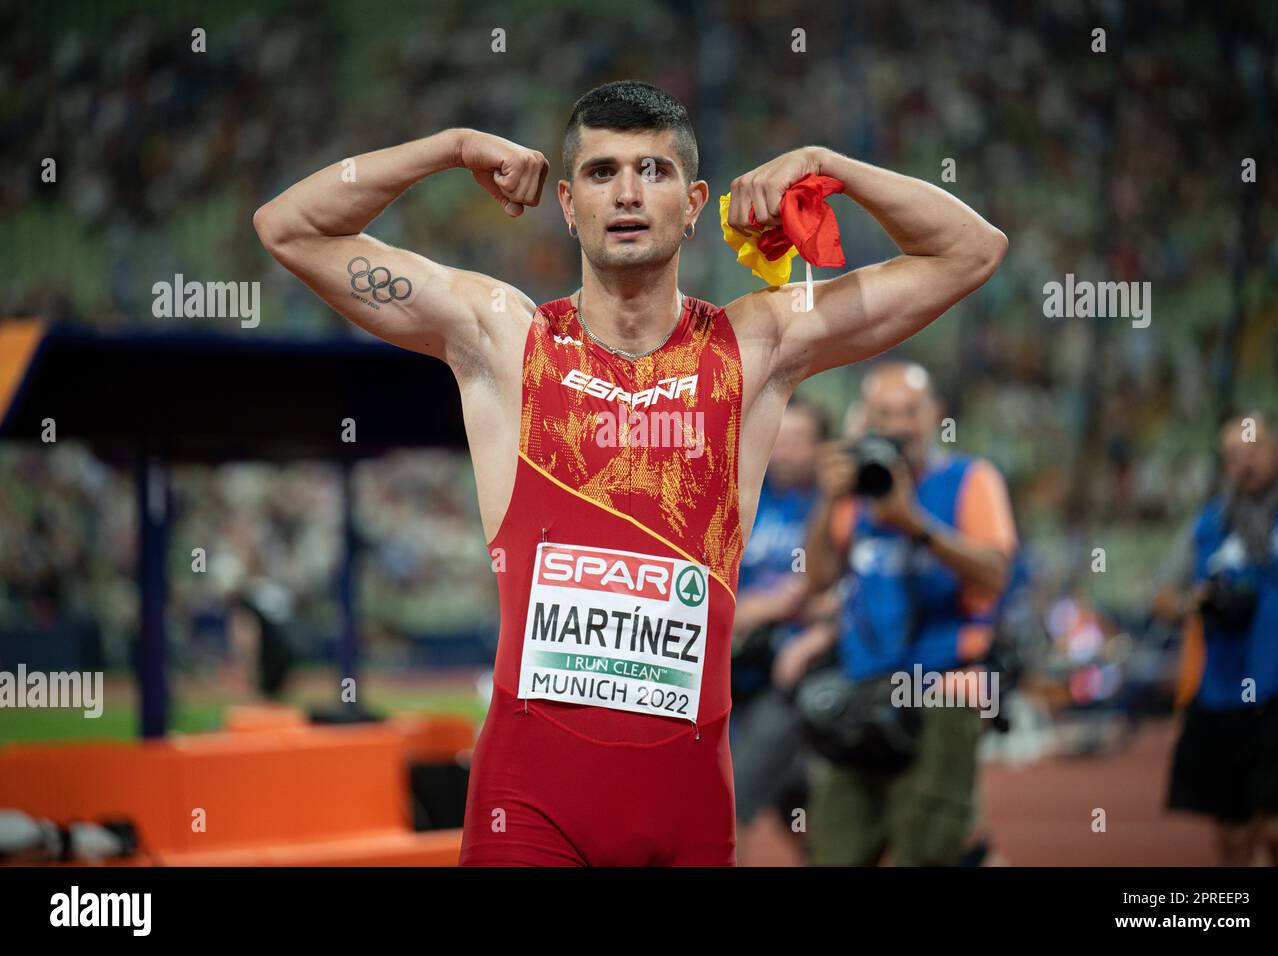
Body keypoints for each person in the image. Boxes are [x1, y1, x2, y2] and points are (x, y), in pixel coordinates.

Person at [253, 80, 1007, 866]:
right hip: (529, 805)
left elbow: (972, 249)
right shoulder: (504, 340)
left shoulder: (756, 347)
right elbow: (290, 229)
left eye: (653, 171)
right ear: (569, 204)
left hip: (686, 809)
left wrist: (829, 166)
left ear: (694, 203)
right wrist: (448, 150)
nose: (627, 193)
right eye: (603, 171)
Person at [801, 361, 1018, 865]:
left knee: (925, 850)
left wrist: (913, 524)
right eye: (884, 414)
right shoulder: (856, 492)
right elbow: (817, 578)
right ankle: (978, 851)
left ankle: (970, 848)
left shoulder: (970, 479)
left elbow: (995, 574)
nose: (899, 426)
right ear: (863, 422)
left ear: (935, 415)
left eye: (910, 411)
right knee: (834, 849)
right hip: (865, 690)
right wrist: (829, 499)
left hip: (945, 688)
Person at [1158, 410, 1278, 865]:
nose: (1245, 463)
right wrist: (1193, 603)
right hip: (1222, 692)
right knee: (1234, 836)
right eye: (1233, 455)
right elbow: (1162, 596)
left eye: (1254, 449)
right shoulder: (1208, 525)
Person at [729, 397, 835, 864]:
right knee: (800, 807)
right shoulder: (747, 494)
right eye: (780, 439)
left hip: (791, 680)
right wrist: (771, 605)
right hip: (732, 676)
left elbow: (846, 589)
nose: (786, 451)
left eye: (799, 440)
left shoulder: (834, 505)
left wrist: (813, 621)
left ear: (821, 447)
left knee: (731, 801)